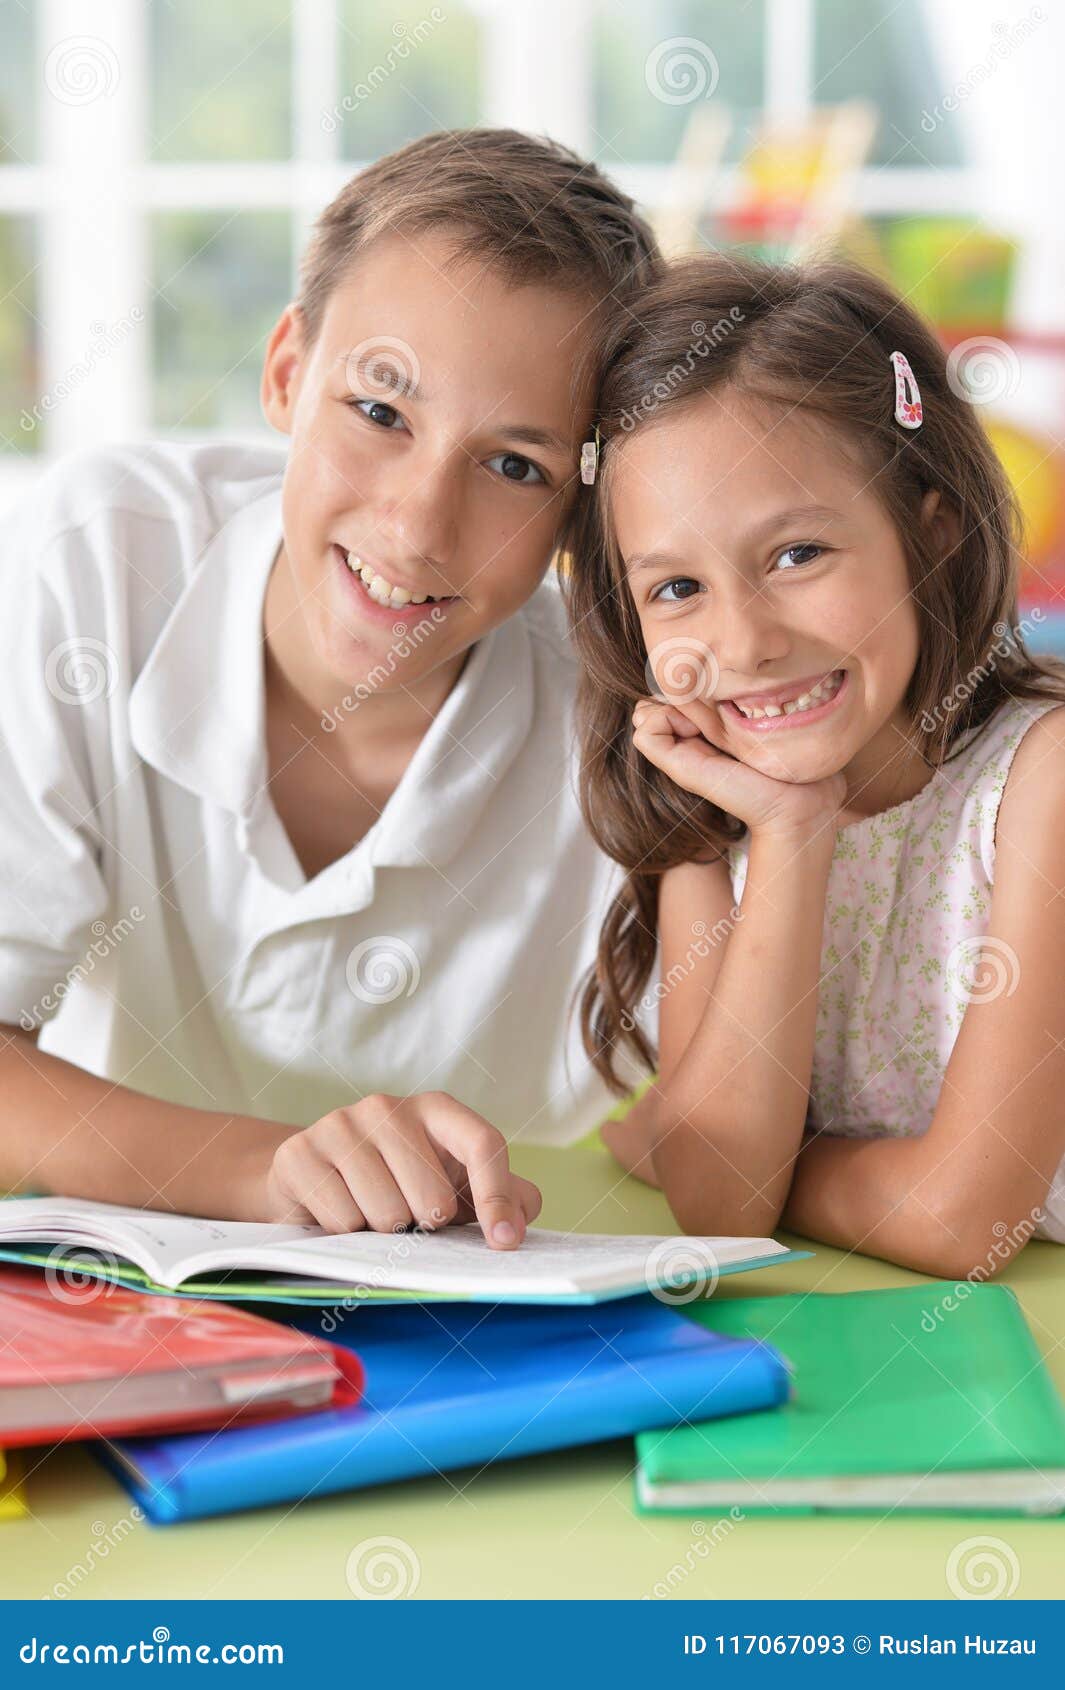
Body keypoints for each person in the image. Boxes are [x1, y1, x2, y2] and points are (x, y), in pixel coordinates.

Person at [0, 129, 660, 1245]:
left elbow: (729, 1136)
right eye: (380, 412)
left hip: (492, 1302)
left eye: (515, 466)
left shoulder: (631, 725)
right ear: (287, 373)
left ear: (580, 513)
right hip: (131, 1285)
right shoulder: (99, 562)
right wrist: (268, 1171)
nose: (417, 524)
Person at [564, 252, 1065, 1278]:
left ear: (931, 534)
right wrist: (791, 835)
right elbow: (718, 1202)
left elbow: (963, 1223)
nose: (745, 643)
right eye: (676, 589)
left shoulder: (1040, 784)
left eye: (796, 555)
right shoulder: (716, 813)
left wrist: (742, 1157)